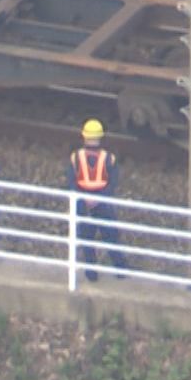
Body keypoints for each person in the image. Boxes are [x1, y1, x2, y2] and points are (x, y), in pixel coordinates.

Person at [71, 119, 128, 282]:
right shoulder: (109, 158)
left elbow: (71, 182)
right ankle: (120, 269)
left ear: (84, 137)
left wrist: (84, 198)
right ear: (101, 138)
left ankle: (91, 273)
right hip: (102, 202)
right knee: (111, 236)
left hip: (83, 202)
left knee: (87, 239)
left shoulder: (76, 157)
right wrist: (99, 197)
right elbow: (113, 183)